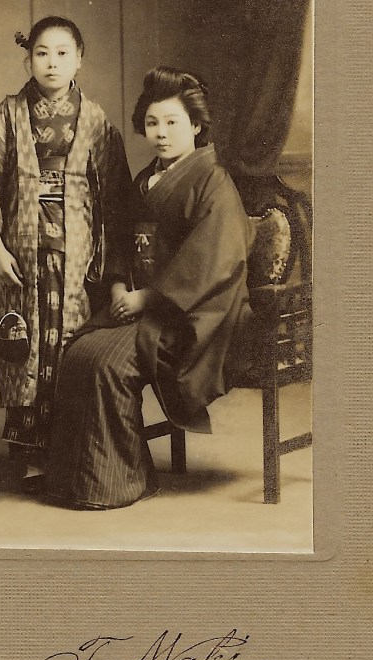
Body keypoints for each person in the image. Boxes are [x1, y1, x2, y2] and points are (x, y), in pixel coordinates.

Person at [46, 66, 256, 510]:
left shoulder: (212, 180)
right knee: (78, 352)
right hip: (144, 304)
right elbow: (123, 240)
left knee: (106, 363)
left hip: (194, 312)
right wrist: (120, 282)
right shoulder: (146, 180)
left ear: (196, 126)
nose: (161, 133)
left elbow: (213, 257)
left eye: (173, 122)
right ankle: (86, 479)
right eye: (152, 123)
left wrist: (147, 296)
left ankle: (121, 482)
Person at [0, 16, 131, 483]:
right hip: (19, 248)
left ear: (79, 58)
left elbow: (117, 201)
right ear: (28, 59)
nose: (52, 62)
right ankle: (29, 456)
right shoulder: (6, 115)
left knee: (69, 343)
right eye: (42, 53)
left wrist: (106, 262)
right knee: (26, 343)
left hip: (77, 255)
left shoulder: (96, 122)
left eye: (62, 53)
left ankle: (71, 453)